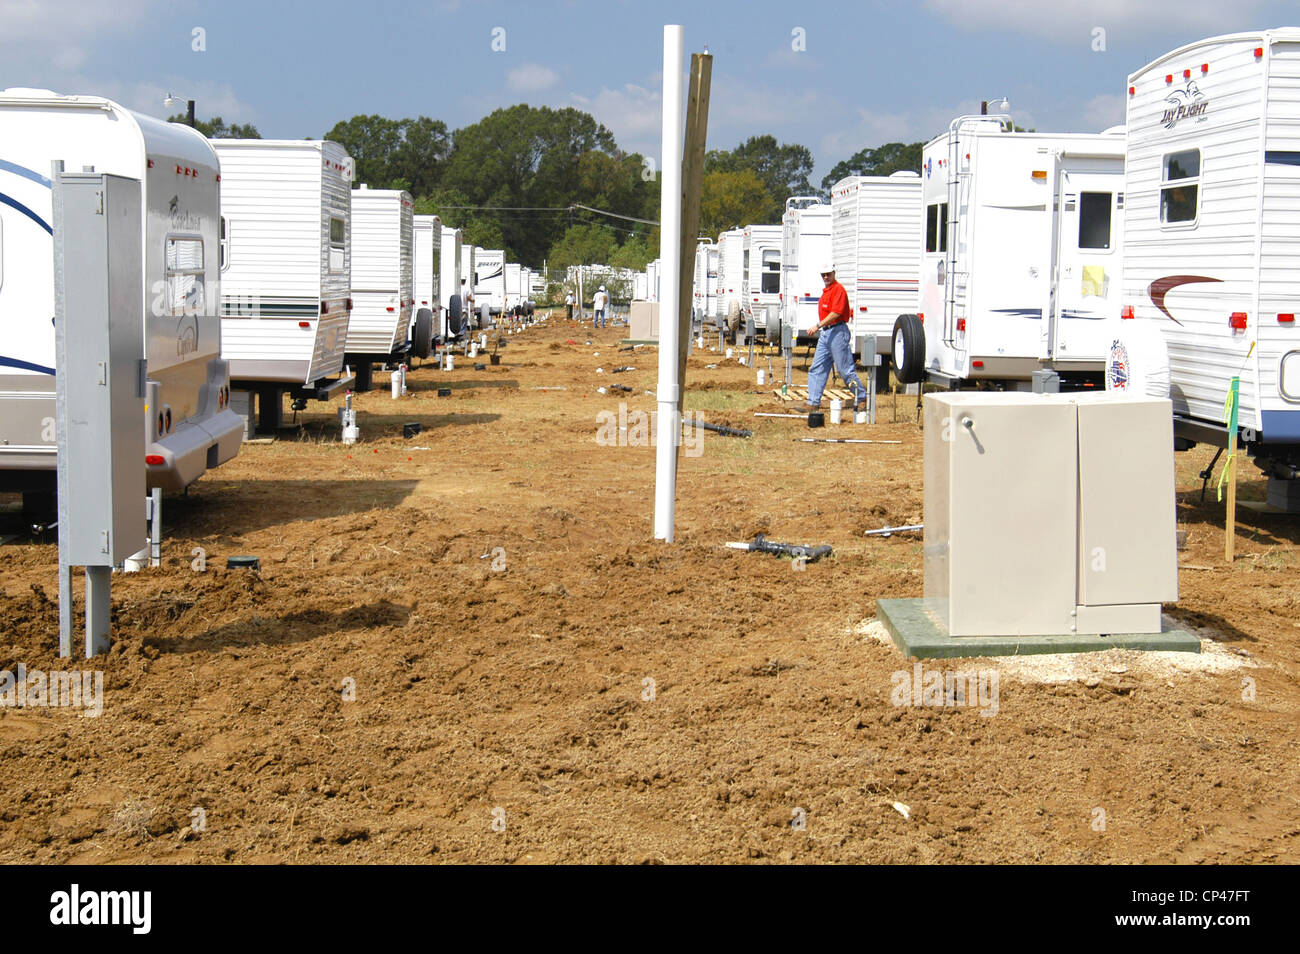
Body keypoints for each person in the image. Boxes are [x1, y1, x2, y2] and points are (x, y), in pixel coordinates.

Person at [806, 262, 868, 411]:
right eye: (823, 275)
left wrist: (818, 325)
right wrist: (822, 327)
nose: (826, 277)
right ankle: (813, 403)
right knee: (817, 368)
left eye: (828, 274)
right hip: (826, 333)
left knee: (844, 370)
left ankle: (861, 397)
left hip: (837, 332)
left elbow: (836, 313)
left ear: (834, 273)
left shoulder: (838, 290)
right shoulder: (826, 292)